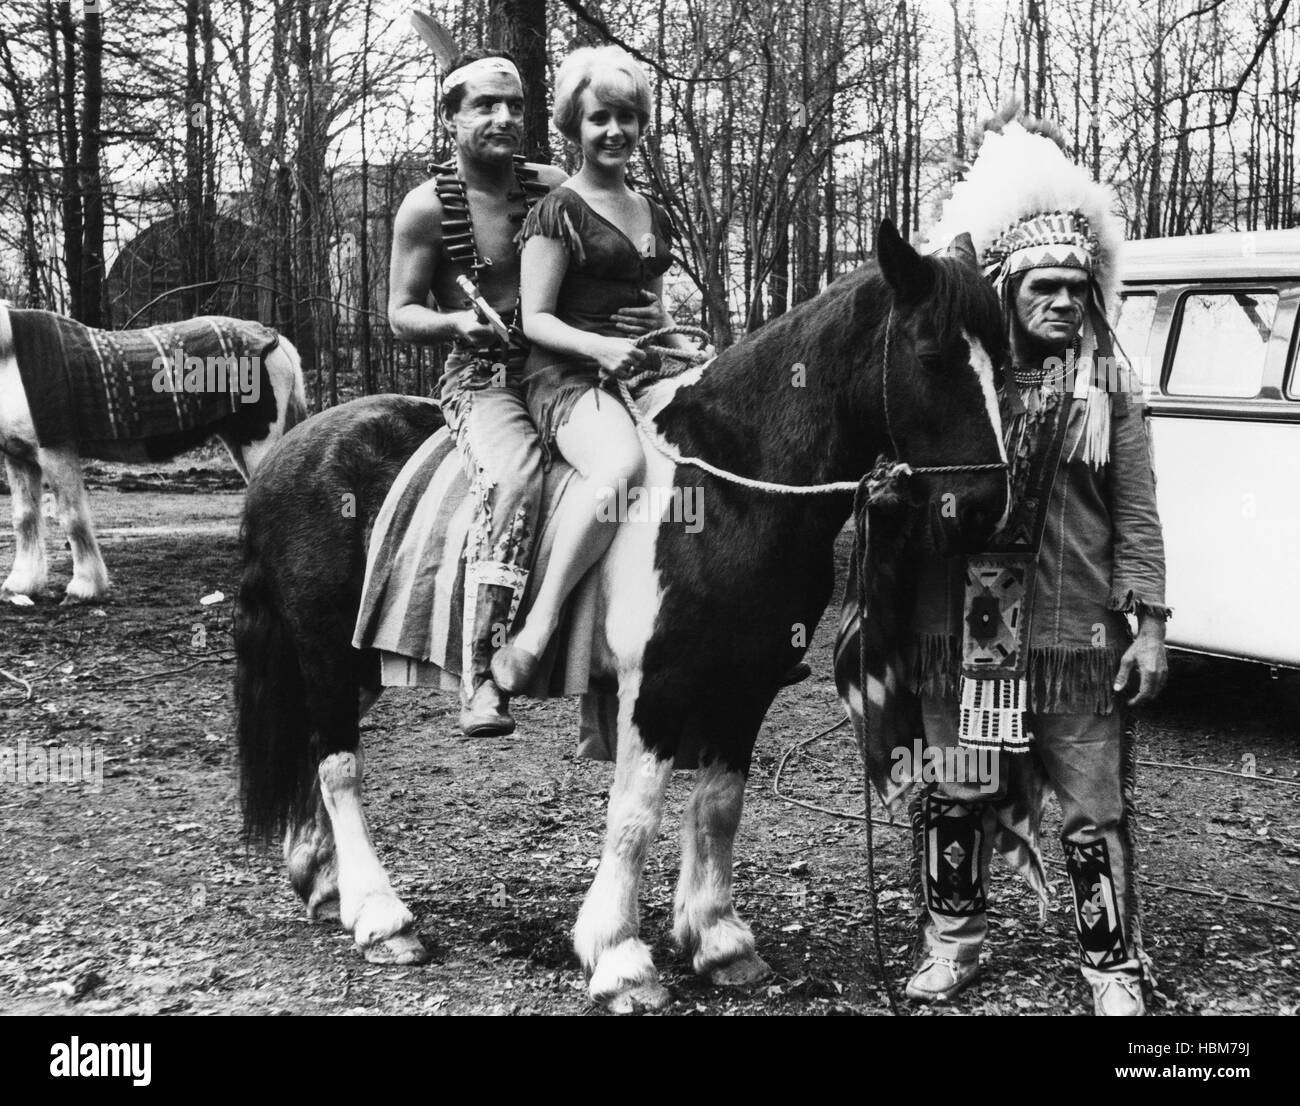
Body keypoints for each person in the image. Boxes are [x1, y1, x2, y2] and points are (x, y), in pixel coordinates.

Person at [899, 113, 1169, 1016]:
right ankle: (954, 943)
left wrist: (1152, 626)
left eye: (1077, 289)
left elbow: (1136, 514)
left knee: (1092, 804)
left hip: (1075, 630)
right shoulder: (961, 389)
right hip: (967, 628)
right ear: (1007, 290)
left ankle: (1109, 963)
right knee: (957, 786)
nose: (1062, 302)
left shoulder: (1112, 391)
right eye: (1044, 287)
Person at [386, 48, 665, 737]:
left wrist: (636, 316)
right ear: (449, 117)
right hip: (483, 376)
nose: (504, 117)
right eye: (484, 105)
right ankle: (482, 673)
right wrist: (455, 321)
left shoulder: (550, 187)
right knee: (514, 479)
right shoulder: (426, 208)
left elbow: (600, 248)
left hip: (565, 365)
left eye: (514, 105)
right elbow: (399, 311)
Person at [489, 46, 687, 692]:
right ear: (575, 124)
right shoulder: (557, 212)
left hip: (641, 373)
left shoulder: (652, 213)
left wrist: (682, 347)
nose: (615, 132)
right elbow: (535, 320)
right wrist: (599, 349)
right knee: (622, 467)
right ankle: (537, 629)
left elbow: (653, 312)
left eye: (627, 117)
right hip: (565, 380)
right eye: (601, 117)